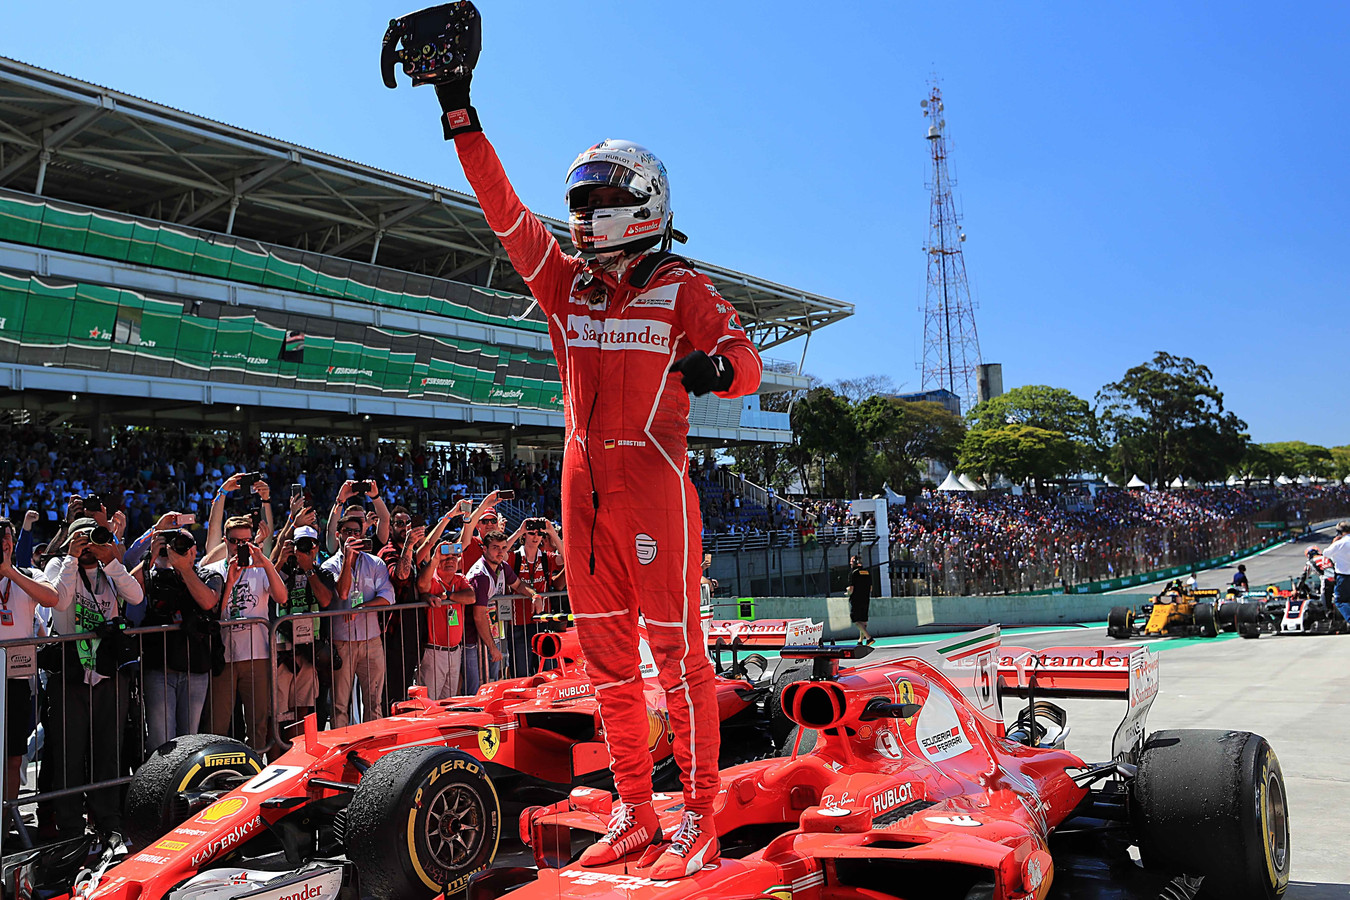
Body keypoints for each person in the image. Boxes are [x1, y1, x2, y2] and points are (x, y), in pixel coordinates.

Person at [436, 49, 762, 875]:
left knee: (683, 661)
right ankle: (635, 809)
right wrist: (459, 113)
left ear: (647, 205)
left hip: (655, 494)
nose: (585, 213)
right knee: (611, 667)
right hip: (580, 498)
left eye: (604, 199)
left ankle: (699, 815)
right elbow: (504, 213)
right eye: (580, 200)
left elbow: (742, 353)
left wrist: (717, 369)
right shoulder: (564, 285)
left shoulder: (682, 284)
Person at [43, 517, 144, 841]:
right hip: (71, 672)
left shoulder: (109, 572)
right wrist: (72, 558)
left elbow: (137, 596)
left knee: (108, 751)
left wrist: (111, 560)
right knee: (69, 754)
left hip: (108, 672)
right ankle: (71, 825)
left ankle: (108, 818)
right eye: (80, 540)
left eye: (92, 541)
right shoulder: (60, 568)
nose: (87, 547)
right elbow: (59, 603)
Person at [134, 526, 223, 752]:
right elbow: (128, 592)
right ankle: (159, 785)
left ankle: (184, 785)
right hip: (158, 667)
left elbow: (208, 602)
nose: (175, 552)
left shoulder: (208, 575)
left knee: (189, 740)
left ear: (194, 552)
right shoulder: (152, 575)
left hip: (195, 666)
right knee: (160, 741)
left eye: (182, 548)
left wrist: (185, 570)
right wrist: (150, 558)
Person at [204, 515, 286, 752]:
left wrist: (267, 563)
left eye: (247, 541)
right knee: (218, 723)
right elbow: (212, 612)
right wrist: (229, 583)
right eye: (235, 541)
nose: (241, 546)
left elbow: (281, 597)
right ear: (225, 541)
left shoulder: (261, 569)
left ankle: (256, 770)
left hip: (256, 655)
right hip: (224, 656)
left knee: (258, 722)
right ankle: (218, 772)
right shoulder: (212, 570)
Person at [0, 518, 59, 836]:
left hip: (16, 682)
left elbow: (52, 599)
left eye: (7, 537)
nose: (4, 542)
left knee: (14, 755)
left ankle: (8, 818)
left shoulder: (24, 578)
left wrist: (9, 571)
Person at [322, 509, 395, 727]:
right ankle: (342, 749)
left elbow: (388, 597)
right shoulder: (330, 565)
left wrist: (362, 606)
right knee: (340, 704)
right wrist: (347, 561)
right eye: (347, 532)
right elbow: (343, 594)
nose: (353, 536)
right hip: (342, 641)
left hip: (372, 640)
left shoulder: (375, 563)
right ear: (338, 535)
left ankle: (372, 746)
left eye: (357, 531)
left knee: (374, 702)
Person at [271, 526, 336, 739]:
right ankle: (277, 757)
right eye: (300, 544)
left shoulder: (323, 572)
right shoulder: (284, 570)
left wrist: (309, 569)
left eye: (309, 544)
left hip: (310, 649)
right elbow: (268, 588)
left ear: (316, 547)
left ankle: (297, 751)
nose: (305, 548)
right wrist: (281, 559)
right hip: (282, 649)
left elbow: (325, 600)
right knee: (279, 711)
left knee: (303, 709)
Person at [463, 530, 540, 687]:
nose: (500, 552)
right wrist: (492, 648)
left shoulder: (502, 566)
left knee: (492, 683)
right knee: (475, 689)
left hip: (491, 634)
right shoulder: (481, 576)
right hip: (472, 639)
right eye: (495, 548)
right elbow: (478, 615)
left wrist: (534, 595)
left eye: (504, 548)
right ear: (484, 549)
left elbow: (518, 585)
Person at [417, 541, 475, 699]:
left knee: (449, 701)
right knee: (430, 701)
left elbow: (471, 597)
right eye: (445, 558)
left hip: (455, 651)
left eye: (454, 557)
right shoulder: (433, 579)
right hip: (434, 652)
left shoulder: (460, 578)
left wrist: (449, 596)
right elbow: (422, 585)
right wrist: (435, 558)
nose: (450, 561)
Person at [1322, 521, 1350, 623]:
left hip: (1344, 576)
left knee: (1340, 601)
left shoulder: (1339, 543)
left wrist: (1333, 542)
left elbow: (1326, 554)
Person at [847, 555, 875, 645]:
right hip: (866, 598)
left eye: (851, 562)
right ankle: (860, 640)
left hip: (856, 599)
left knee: (855, 620)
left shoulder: (853, 573)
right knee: (863, 621)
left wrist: (847, 593)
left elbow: (851, 589)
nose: (850, 563)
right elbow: (870, 588)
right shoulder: (867, 572)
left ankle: (869, 637)